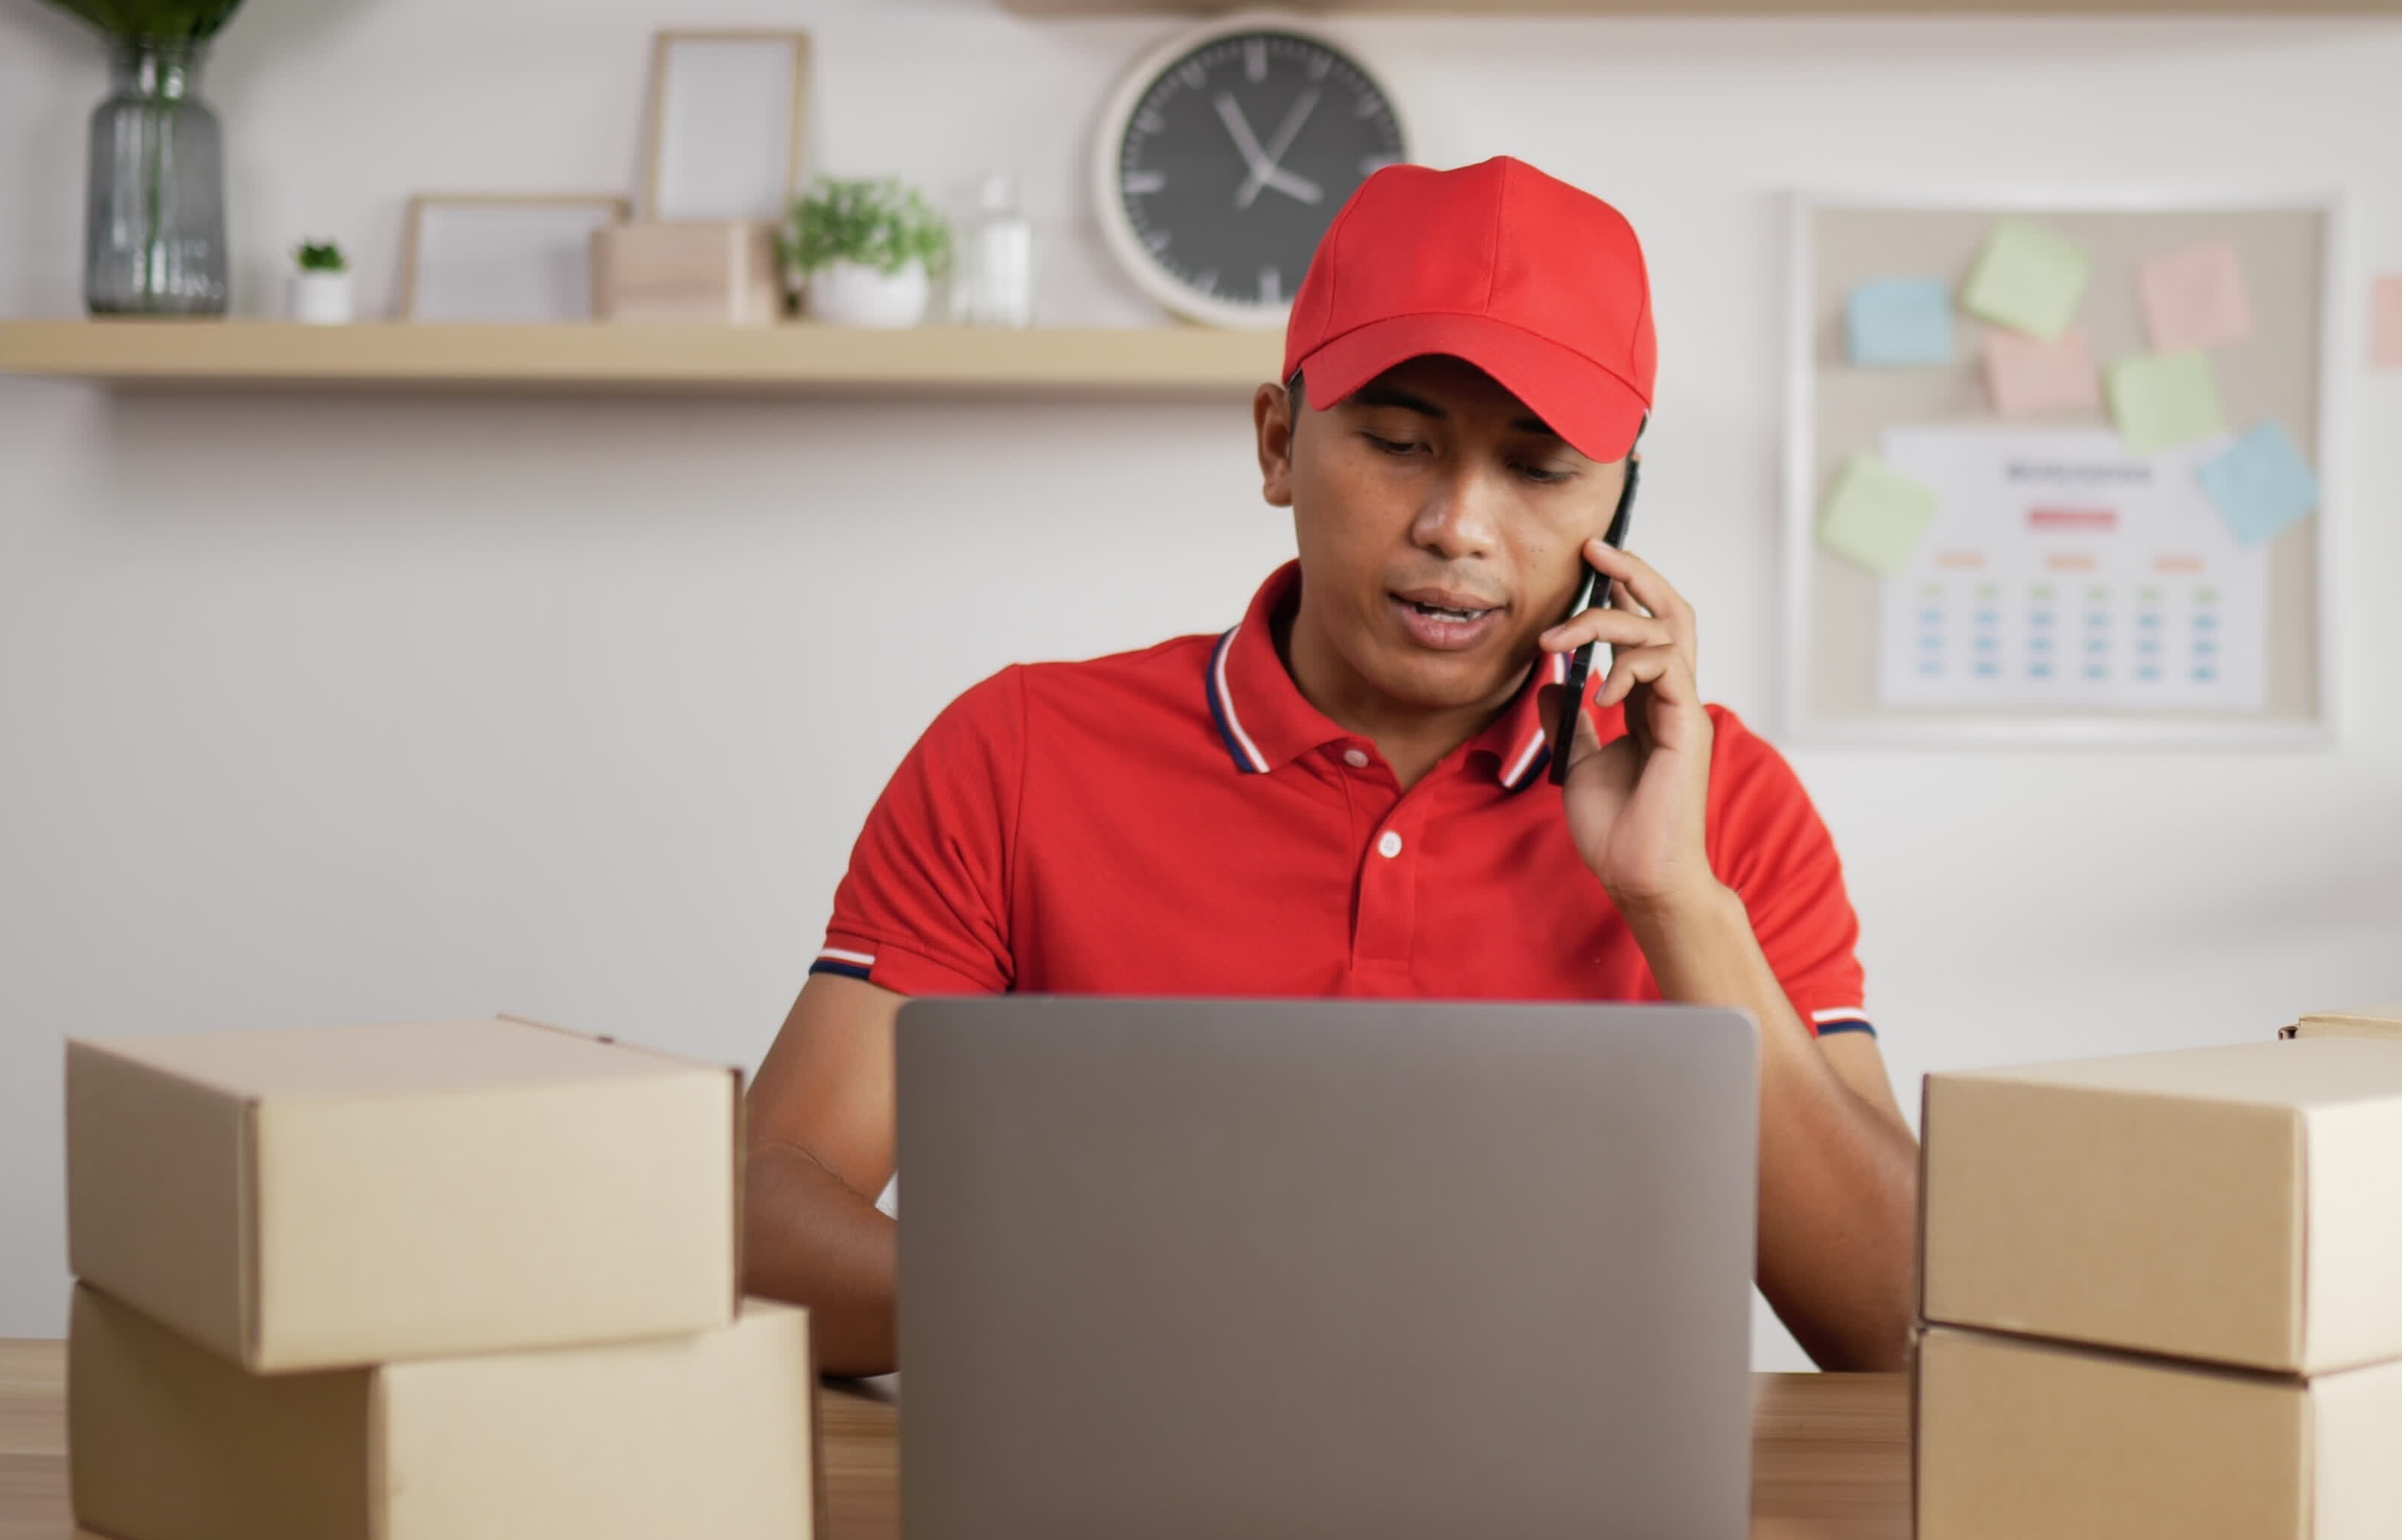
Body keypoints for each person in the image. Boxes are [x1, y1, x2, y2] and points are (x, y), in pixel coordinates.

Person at [741, 156, 1917, 1376]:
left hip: (1563, 1525)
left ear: (1615, 513)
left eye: (1540, 470)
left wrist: (1674, 904)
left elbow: (1901, 1325)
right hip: (1117, 1477)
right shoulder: (1019, 752)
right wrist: (1074, 1309)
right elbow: (760, 1215)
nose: (1458, 524)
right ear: (1278, 443)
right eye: (1402, 442)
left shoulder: (1724, 804)